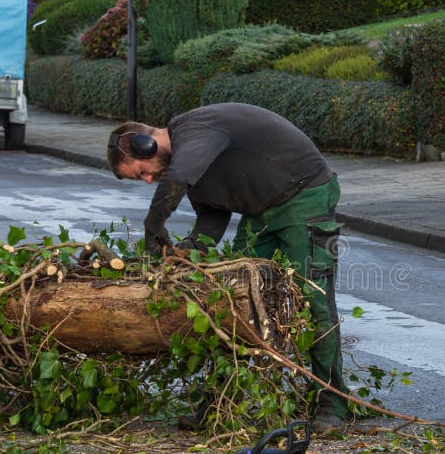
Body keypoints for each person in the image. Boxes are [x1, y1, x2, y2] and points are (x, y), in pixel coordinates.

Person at [106, 102, 350, 434]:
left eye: (143, 171)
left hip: (304, 196)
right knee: (231, 298)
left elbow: (177, 178)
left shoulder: (194, 130)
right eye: (142, 179)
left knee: (315, 297)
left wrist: (153, 228)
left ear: (144, 144)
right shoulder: (187, 164)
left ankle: (334, 404)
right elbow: (211, 218)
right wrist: (187, 251)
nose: (149, 179)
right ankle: (220, 402)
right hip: (260, 212)